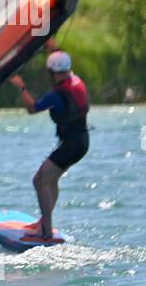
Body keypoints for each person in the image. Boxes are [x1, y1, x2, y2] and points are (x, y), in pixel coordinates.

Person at [8, 49, 89, 241]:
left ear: (52, 72)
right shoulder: (76, 81)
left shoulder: (57, 94)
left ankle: (46, 231)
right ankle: (45, 223)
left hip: (71, 145)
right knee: (50, 180)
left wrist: (21, 87)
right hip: (81, 142)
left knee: (39, 180)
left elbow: (32, 108)